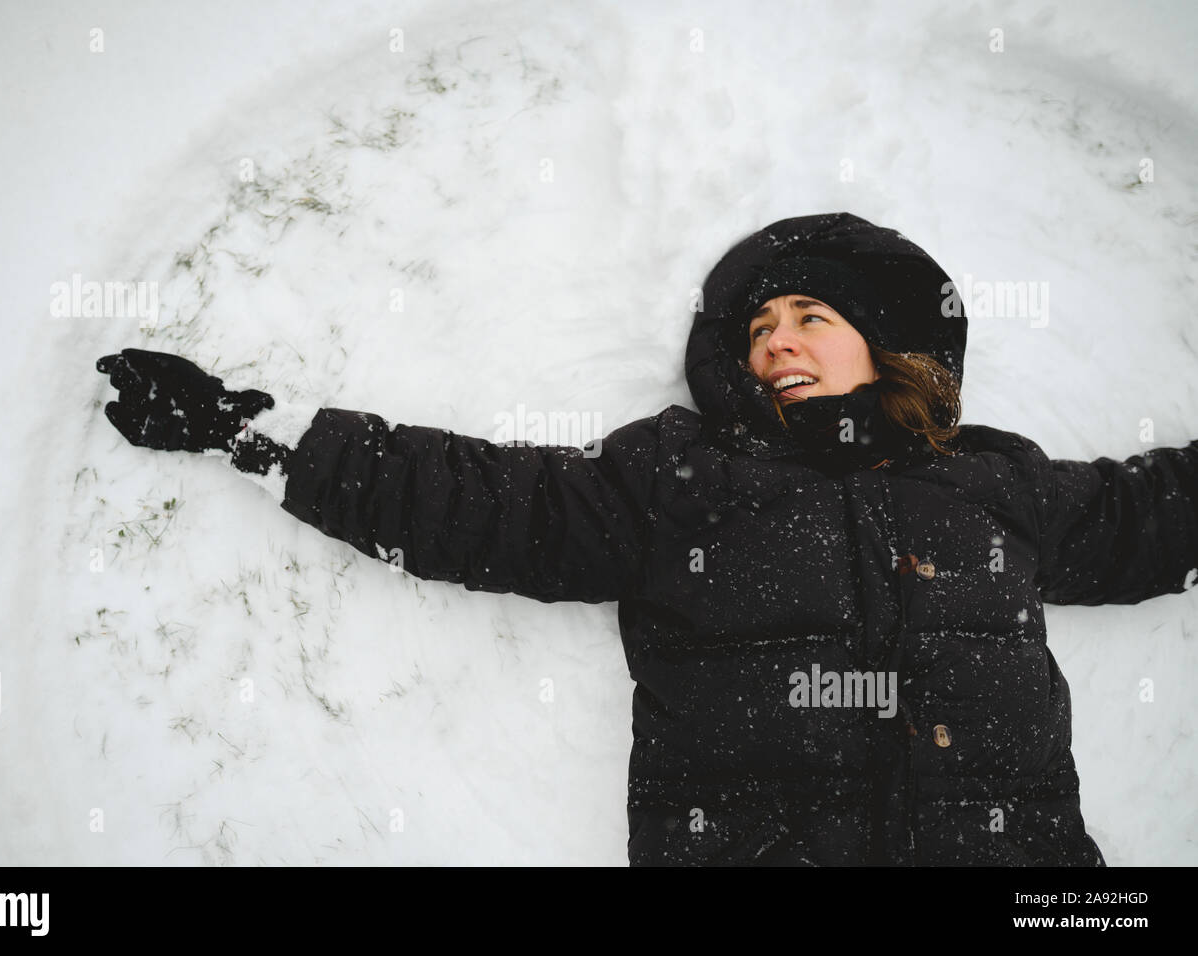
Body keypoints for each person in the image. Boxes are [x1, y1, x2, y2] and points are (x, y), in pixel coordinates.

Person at [96, 211, 1198, 866]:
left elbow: (1153, 515)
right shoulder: (687, 476)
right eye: (759, 328)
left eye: (810, 315)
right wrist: (250, 436)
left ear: (884, 345)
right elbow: (488, 503)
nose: (777, 341)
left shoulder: (992, 480)